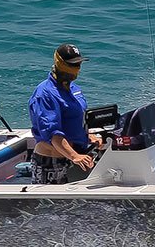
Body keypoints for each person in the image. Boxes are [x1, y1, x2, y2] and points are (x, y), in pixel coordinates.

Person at [28, 43, 103, 184]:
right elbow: (53, 134)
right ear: (60, 63)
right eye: (73, 64)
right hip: (51, 162)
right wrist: (74, 156)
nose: (77, 68)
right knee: (51, 199)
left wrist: (87, 136)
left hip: (76, 156)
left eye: (79, 64)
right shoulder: (45, 93)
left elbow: (74, 119)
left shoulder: (74, 89)